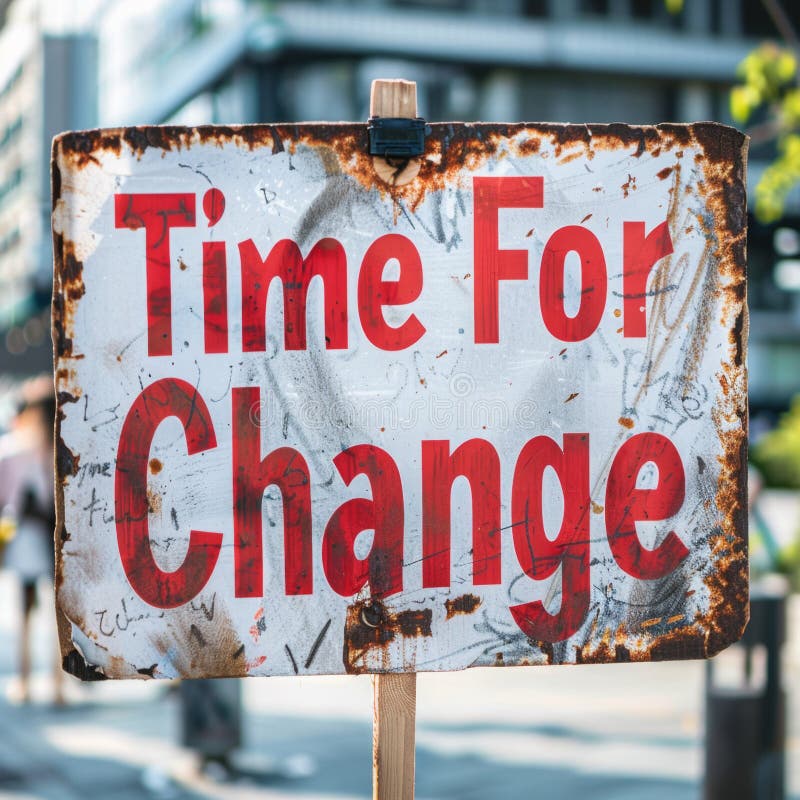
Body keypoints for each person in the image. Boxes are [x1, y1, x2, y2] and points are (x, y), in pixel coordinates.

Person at [0, 376, 63, 704]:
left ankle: (57, 682)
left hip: (53, 541)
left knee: (57, 615)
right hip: (28, 541)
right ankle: (27, 679)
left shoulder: (58, 453)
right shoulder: (12, 454)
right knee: (26, 610)